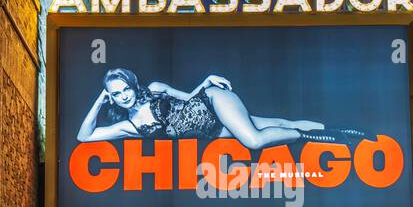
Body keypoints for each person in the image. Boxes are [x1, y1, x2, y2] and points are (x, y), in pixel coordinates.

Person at [76, 67, 368, 149]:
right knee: (276, 122)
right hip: (214, 131)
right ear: (111, 97)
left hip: (213, 103)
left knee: (254, 141)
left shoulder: (154, 89)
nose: (124, 95)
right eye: (116, 93)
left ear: (133, 84)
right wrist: (98, 101)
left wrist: (206, 81)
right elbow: (84, 137)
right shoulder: (130, 128)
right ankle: (338, 131)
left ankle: (307, 136)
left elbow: (188, 97)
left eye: (125, 88)